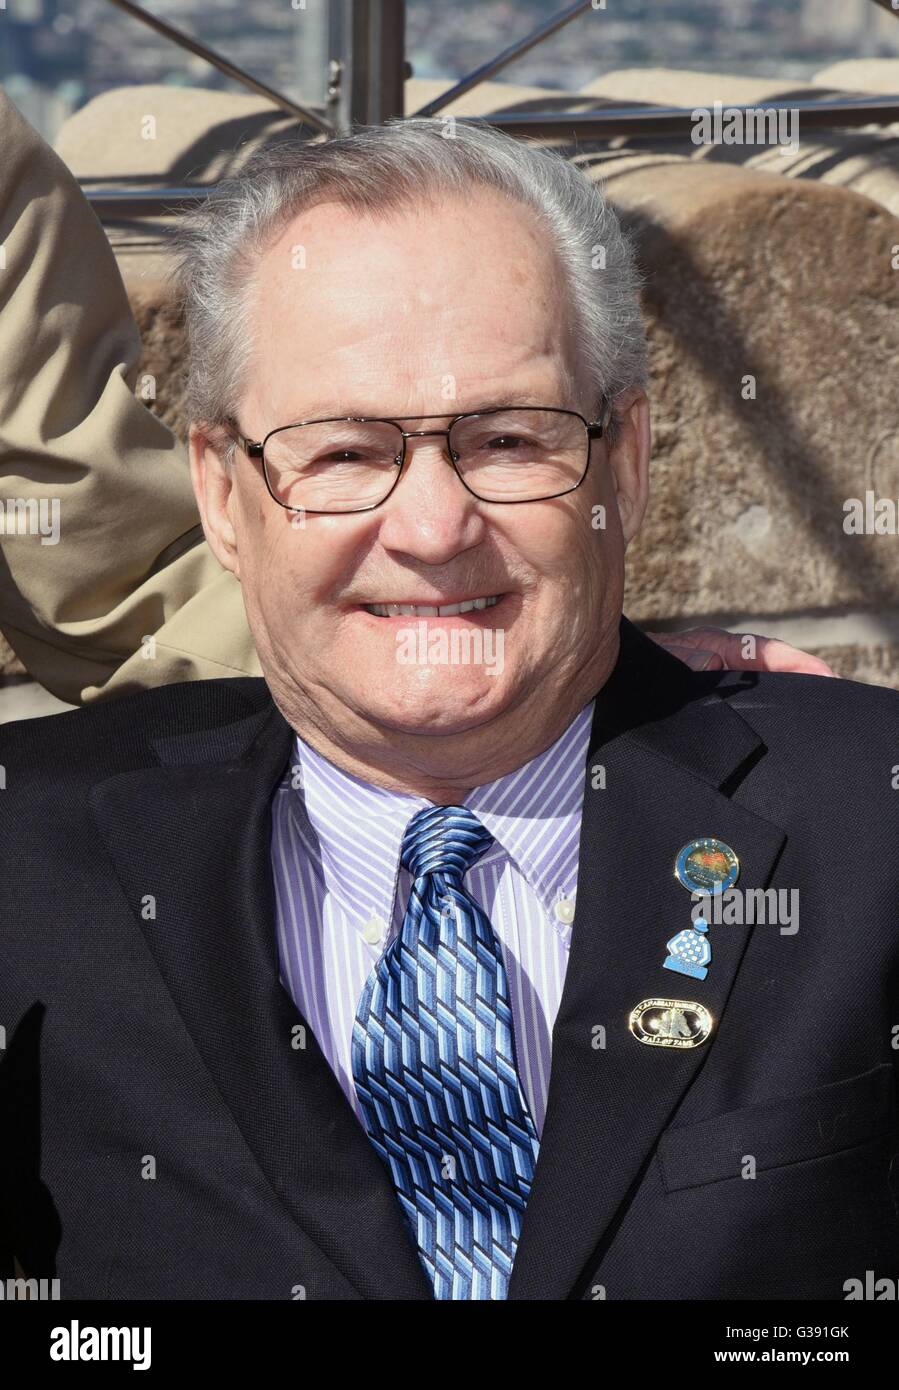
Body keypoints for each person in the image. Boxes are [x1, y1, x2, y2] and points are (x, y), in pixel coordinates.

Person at [1, 113, 895, 1303]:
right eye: (343, 452)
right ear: (221, 491)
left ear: (622, 463)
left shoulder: (867, 832)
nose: (430, 530)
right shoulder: (29, 879)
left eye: (508, 439)